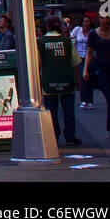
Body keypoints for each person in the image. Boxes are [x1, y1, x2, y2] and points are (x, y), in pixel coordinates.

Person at [37, 17, 81, 146]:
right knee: (69, 110)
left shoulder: (40, 42)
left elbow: (38, 64)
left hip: (48, 82)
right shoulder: (67, 41)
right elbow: (75, 62)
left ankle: (54, 136)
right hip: (67, 80)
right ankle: (70, 136)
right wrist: (78, 80)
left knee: (51, 111)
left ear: (48, 26)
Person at [72, 16, 95, 108]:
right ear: (82, 23)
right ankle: (84, 100)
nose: (87, 23)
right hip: (79, 57)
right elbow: (71, 38)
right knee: (82, 77)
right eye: (85, 21)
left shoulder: (92, 32)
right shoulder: (77, 30)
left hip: (89, 57)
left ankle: (90, 101)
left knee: (89, 78)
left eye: (89, 21)